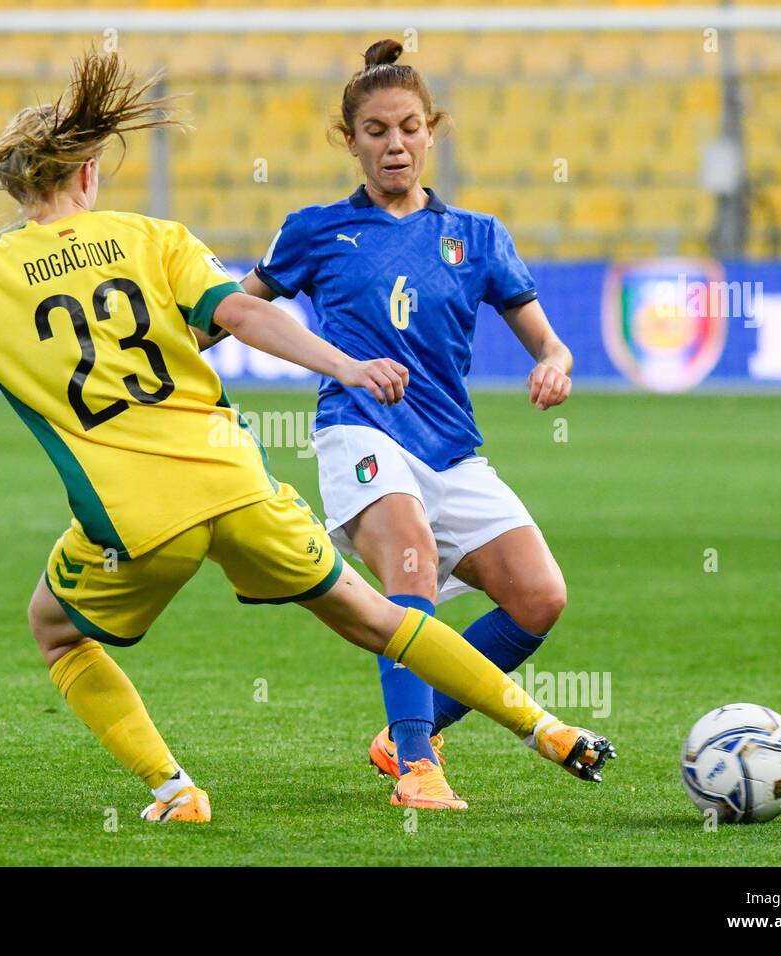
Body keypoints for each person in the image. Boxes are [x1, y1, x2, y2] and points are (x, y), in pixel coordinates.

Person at [0, 50, 612, 824]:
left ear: (23, 185)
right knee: (378, 614)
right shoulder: (153, 237)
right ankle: (545, 728)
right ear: (90, 173)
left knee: (54, 627)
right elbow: (242, 313)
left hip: (133, 516)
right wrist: (344, 366)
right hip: (238, 483)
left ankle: (174, 788)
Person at [239, 40, 591, 810]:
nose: (393, 144)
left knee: (539, 598)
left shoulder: (479, 235)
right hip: (357, 428)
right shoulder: (315, 231)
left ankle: (417, 724)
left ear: (432, 131)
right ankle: (416, 766)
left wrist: (554, 362)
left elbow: (546, 338)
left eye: (407, 127)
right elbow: (235, 309)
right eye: (375, 131)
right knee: (410, 558)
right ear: (350, 140)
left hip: (451, 446)